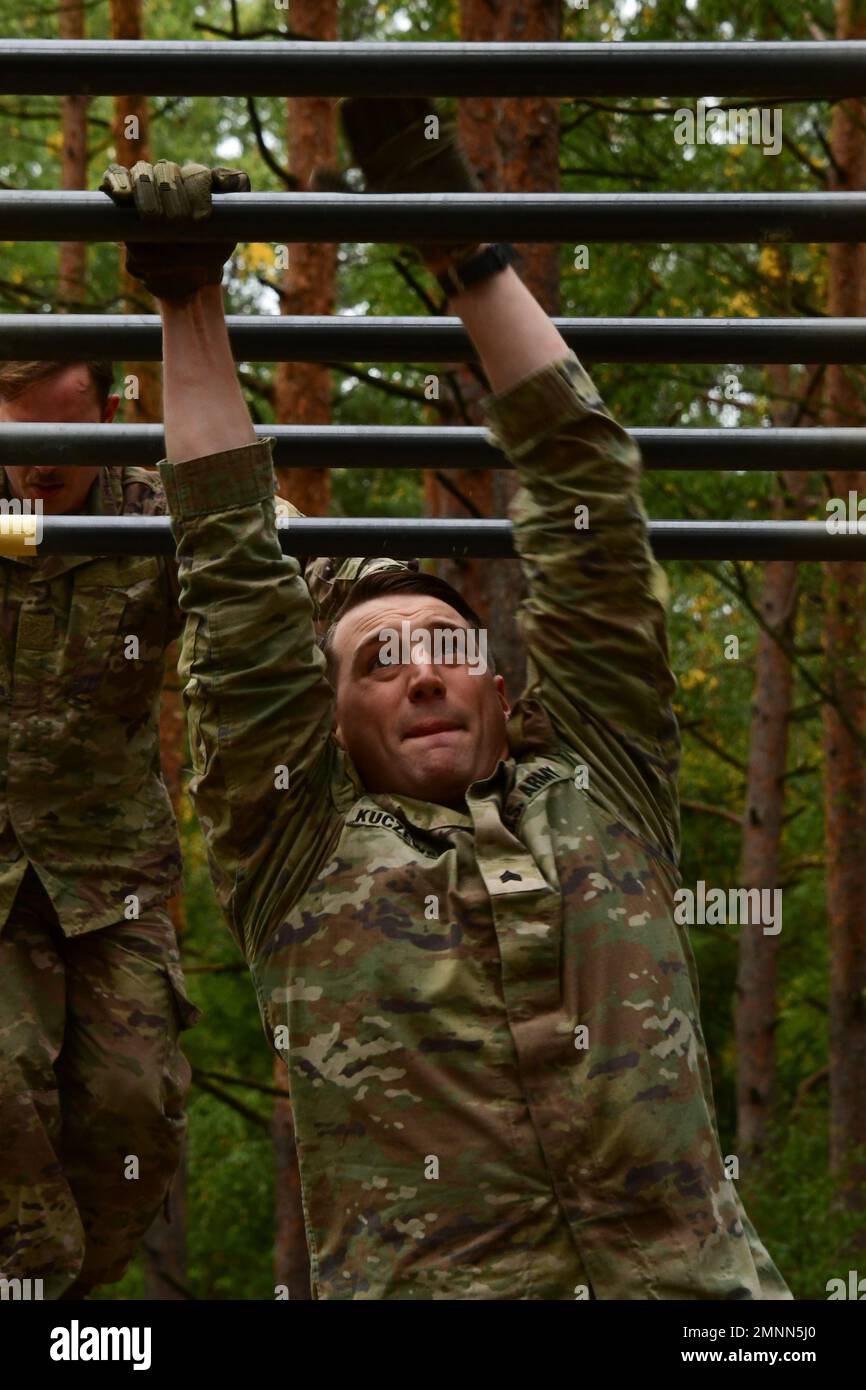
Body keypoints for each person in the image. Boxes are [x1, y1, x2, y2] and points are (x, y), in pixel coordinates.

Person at [106, 101, 792, 1300]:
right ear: (325, 729)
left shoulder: (599, 784)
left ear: (502, 686)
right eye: (375, 663)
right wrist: (187, 300)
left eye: (443, 644)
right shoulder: (298, 847)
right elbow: (229, 571)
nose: (419, 667)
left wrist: (462, 248)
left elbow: (586, 483)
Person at [0, 357, 202, 1299]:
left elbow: (271, 547)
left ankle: (71, 1300)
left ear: (110, 409)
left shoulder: (151, 508)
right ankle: (29, 1298)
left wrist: (386, 600)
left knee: (133, 1109)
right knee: (4, 1088)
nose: (37, 469)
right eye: (17, 439)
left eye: (60, 440)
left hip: (108, 867)